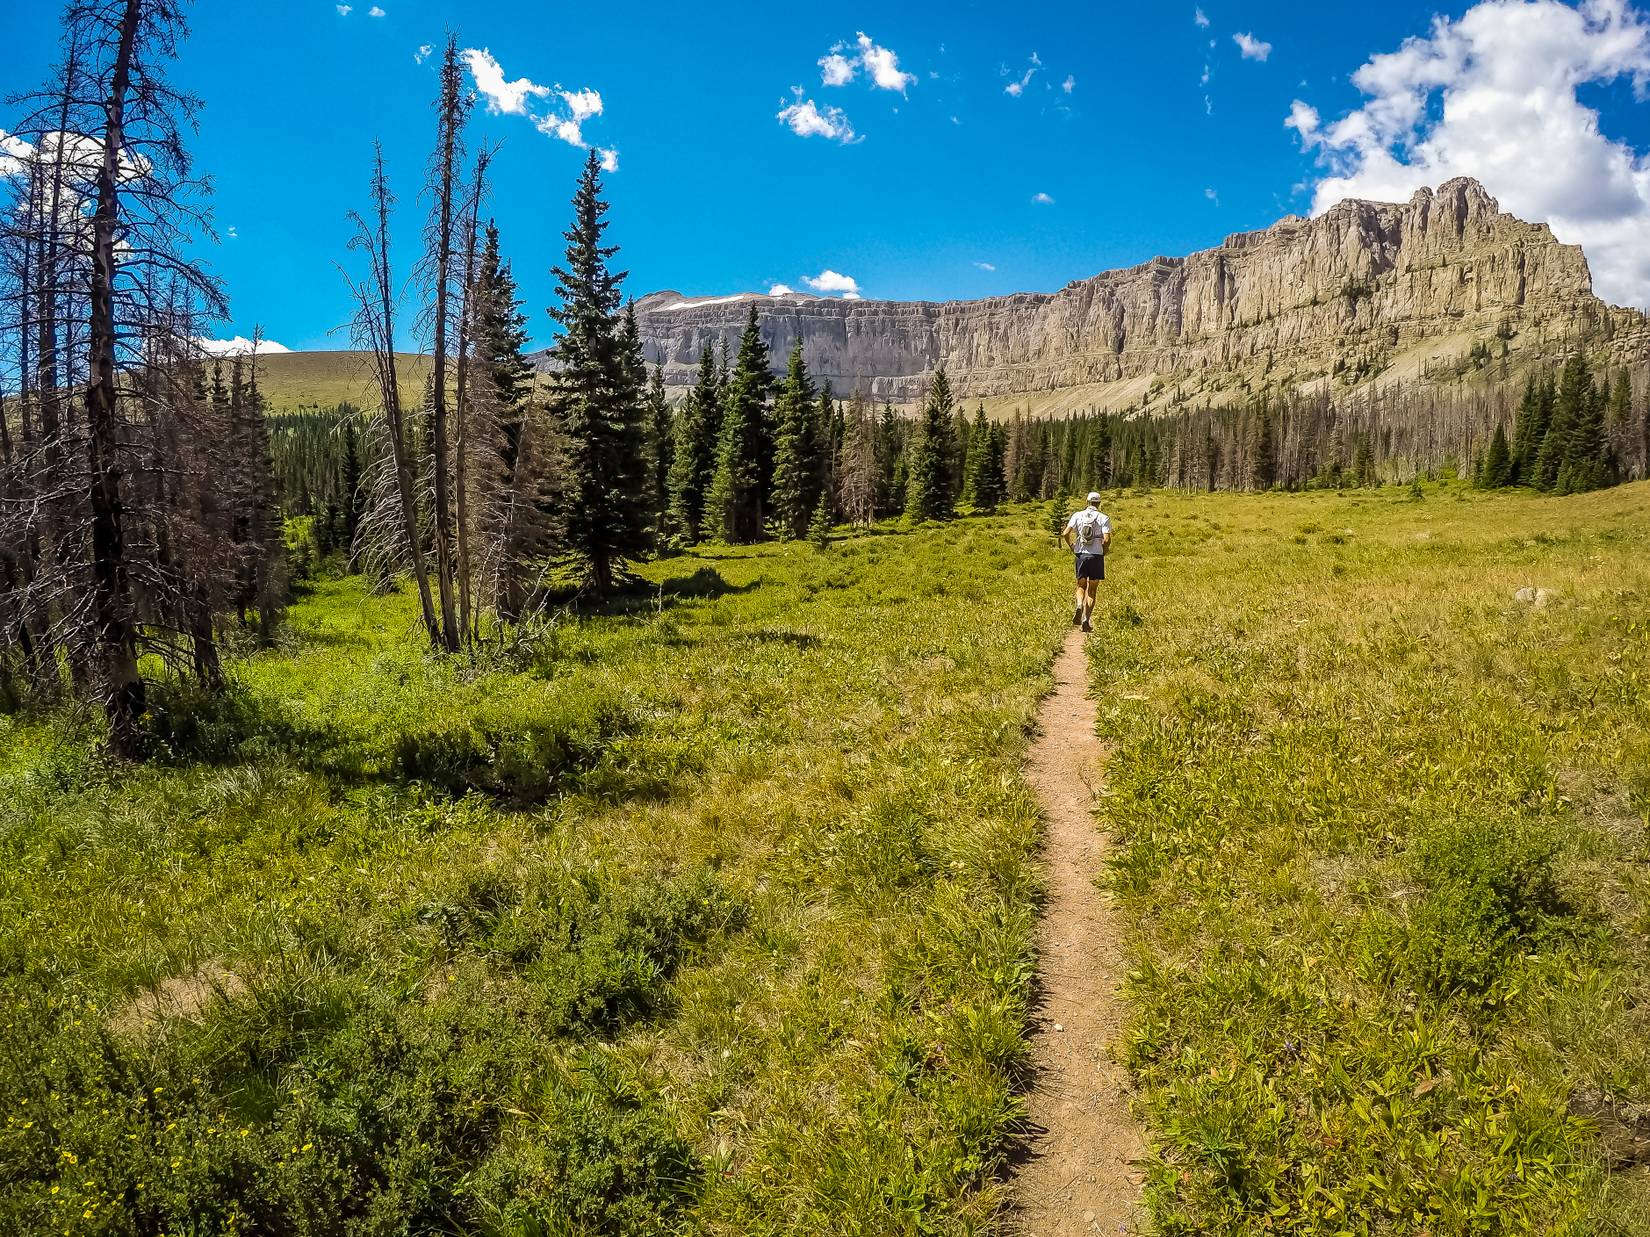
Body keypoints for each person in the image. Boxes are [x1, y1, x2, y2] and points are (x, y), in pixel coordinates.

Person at [1062, 491, 1111, 633]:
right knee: (1092, 590)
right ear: (1099, 503)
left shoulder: (1077, 515)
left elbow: (1065, 533)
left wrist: (1072, 546)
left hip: (1081, 555)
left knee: (1081, 585)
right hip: (1096, 556)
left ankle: (1079, 605)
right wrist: (1104, 550)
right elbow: (1107, 539)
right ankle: (1086, 620)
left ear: (1087, 502)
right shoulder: (1103, 517)